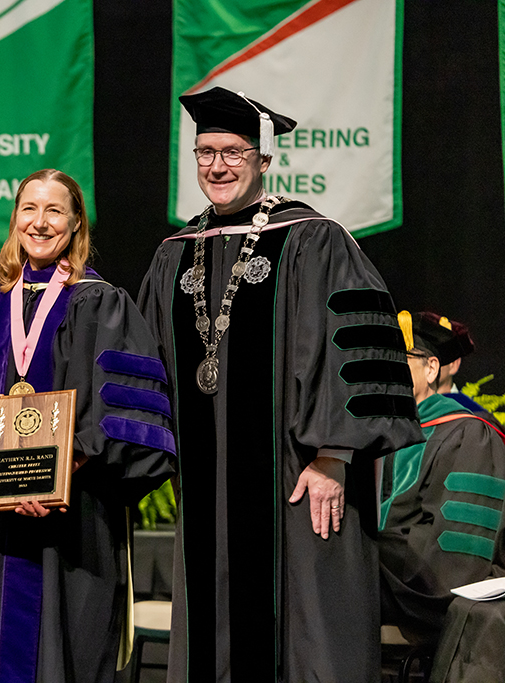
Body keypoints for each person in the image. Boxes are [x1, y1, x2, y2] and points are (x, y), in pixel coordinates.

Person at [137, 86, 424, 682]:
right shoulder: (174, 254)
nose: (217, 165)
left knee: (308, 630)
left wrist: (334, 457)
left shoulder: (314, 240)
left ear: (264, 161)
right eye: (205, 152)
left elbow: (358, 357)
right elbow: (144, 366)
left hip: (298, 479)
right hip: (208, 490)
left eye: (234, 152)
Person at [0, 169, 176, 683]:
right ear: (15, 220)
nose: (41, 222)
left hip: (78, 514)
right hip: (4, 515)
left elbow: (130, 410)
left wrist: (68, 463)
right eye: (30, 209)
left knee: (71, 645)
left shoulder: (103, 303)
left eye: (55, 211)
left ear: (76, 225)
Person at [379, 310, 505, 646]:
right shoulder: (382, 432)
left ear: (431, 368)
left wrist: (367, 552)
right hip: (388, 578)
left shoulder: (468, 432)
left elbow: (456, 560)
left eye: (398, 357)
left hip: (428, 586)